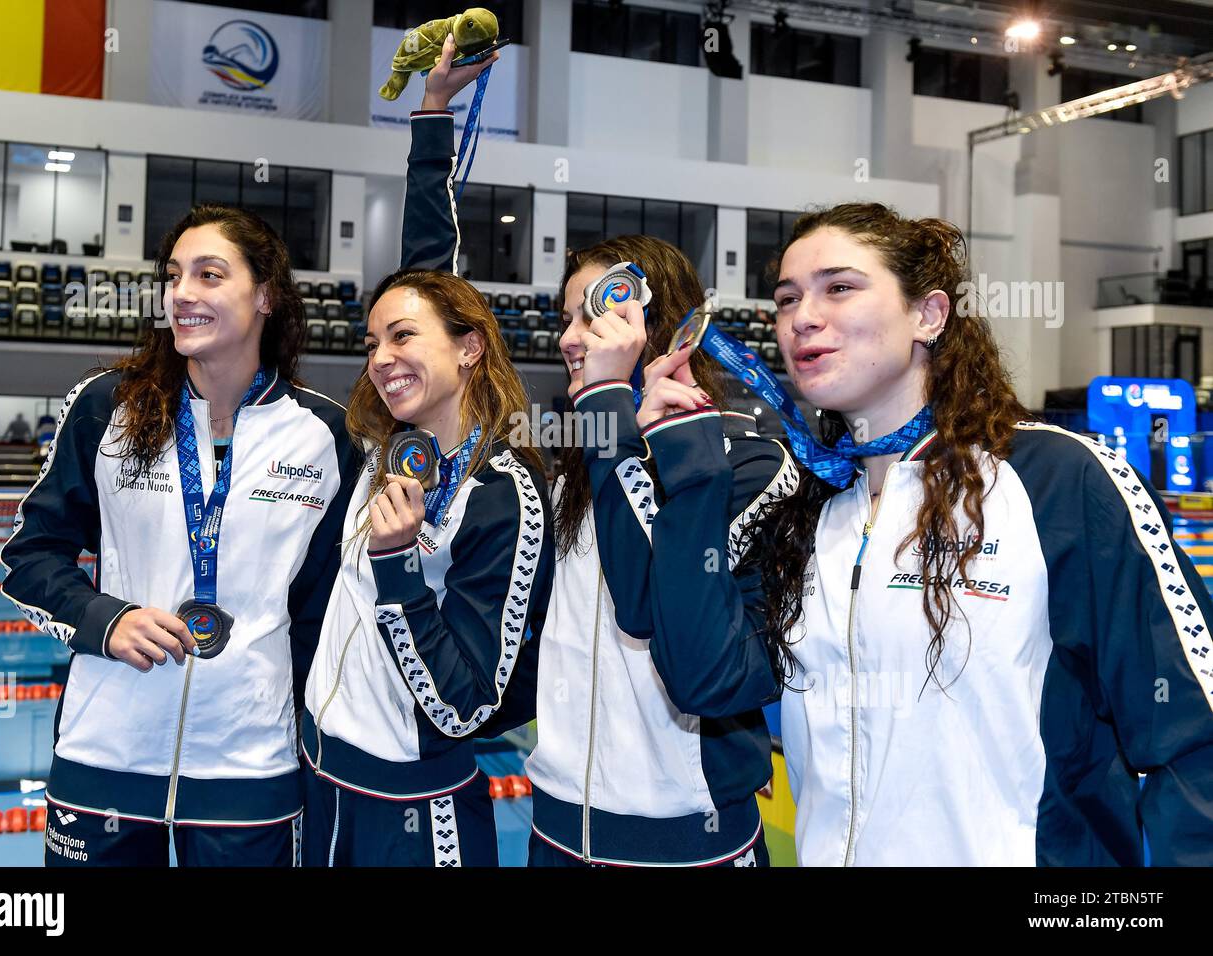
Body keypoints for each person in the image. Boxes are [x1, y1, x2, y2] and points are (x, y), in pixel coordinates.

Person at [638, 202, 1213, 866]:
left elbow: (1190, 737)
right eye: (788, 299)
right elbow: (706, 682)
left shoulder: (1057, 481)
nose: (803, 317)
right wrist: (686, 477)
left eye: (840, 287)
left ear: (928, 315)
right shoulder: (809, 510)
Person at [388, 42, 794, 866]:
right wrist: (435, 123)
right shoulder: (566, 453)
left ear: (664, 324)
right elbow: (428, 309)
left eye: (594, 317)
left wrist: (613, 409)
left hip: (687, 840)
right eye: (567, 319)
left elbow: (651, 602)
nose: (569, 338)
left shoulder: (747, 457)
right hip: (556, 825)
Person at [1, 204, 357, 866]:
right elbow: (30, 555)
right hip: (104, 751)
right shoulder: (109, 407)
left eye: (210, 274)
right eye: (173, 276)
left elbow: (326, 615)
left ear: (266, 295)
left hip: (250, 764)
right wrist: (102, 618)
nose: (183, 293)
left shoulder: (325, 436)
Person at [299, 37, 554, 868]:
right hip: (318, 780)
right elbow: (423, 261)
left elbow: (464, 707)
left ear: (471, 348)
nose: (381, 357)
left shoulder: (501, 494)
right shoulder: (386, 450)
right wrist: (432, 115)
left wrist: (399, 565)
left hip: (414, 816)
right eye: (372, 341)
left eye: (403, 336)